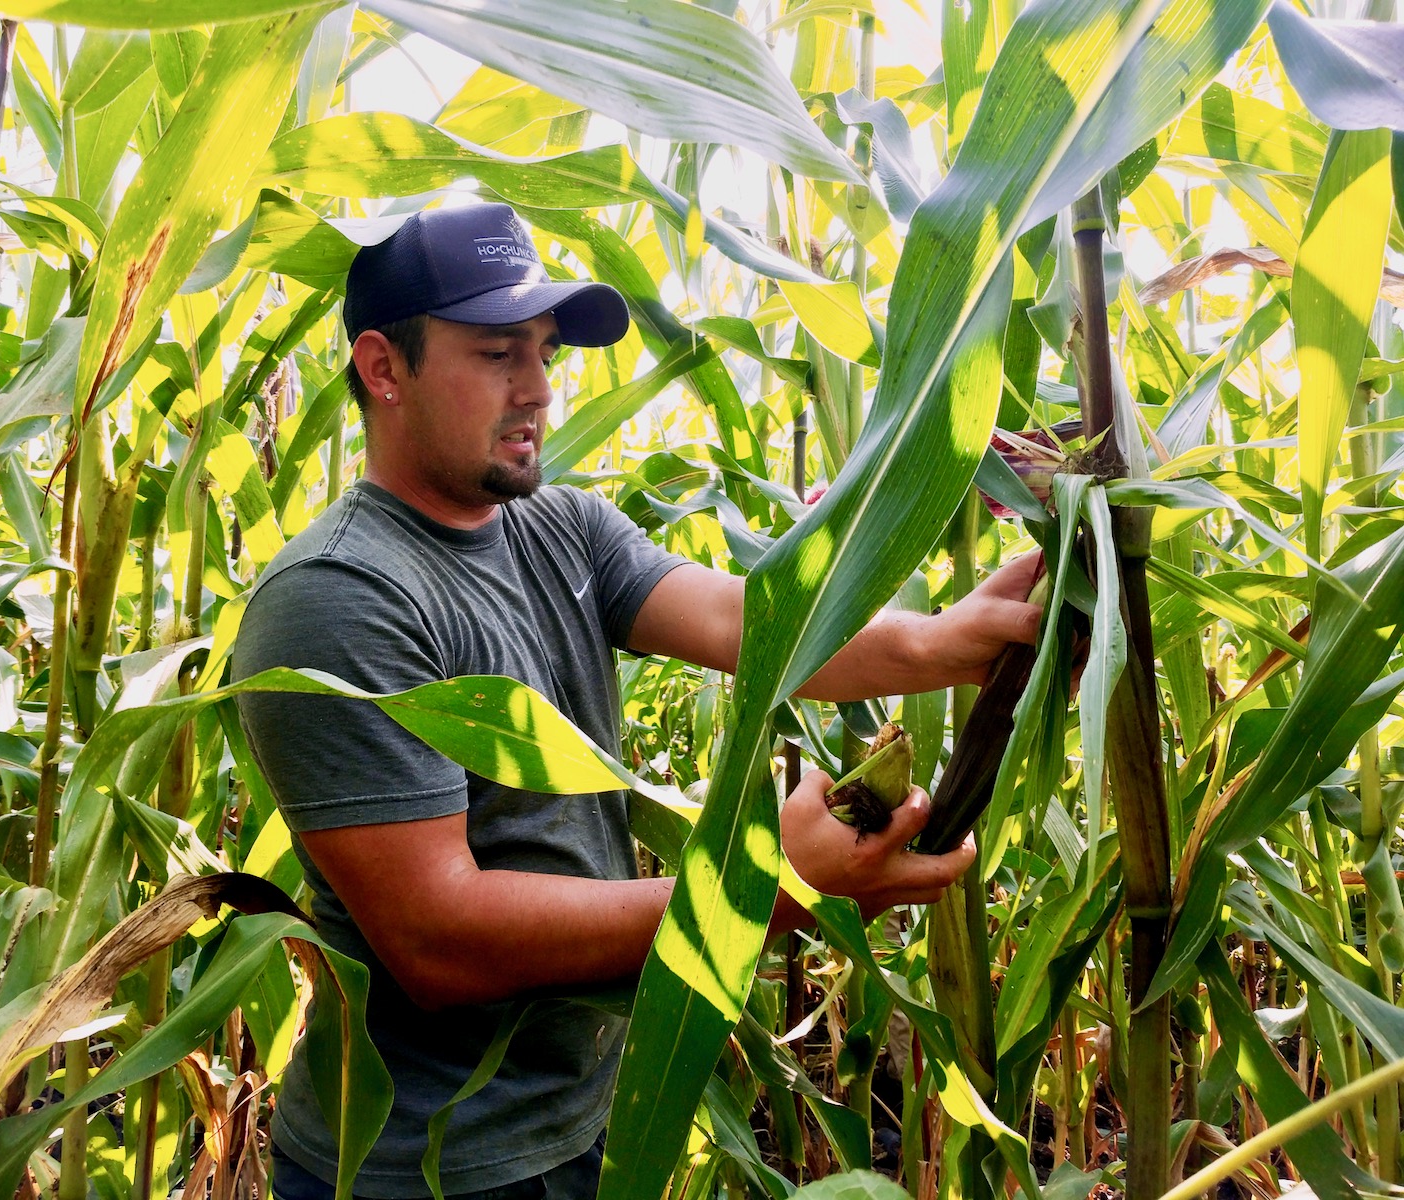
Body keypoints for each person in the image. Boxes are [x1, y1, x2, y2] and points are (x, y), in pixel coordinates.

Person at [232, 202, 1043, 1200]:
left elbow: (752, 626)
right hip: (424, 1166)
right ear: (382, 368)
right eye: (495, 354)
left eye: (542, 353)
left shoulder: (559, 529)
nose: (536, 390)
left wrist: (944, 640)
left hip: (580, 1123)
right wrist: (767, 891)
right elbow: (436, 938)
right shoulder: (338, 599)